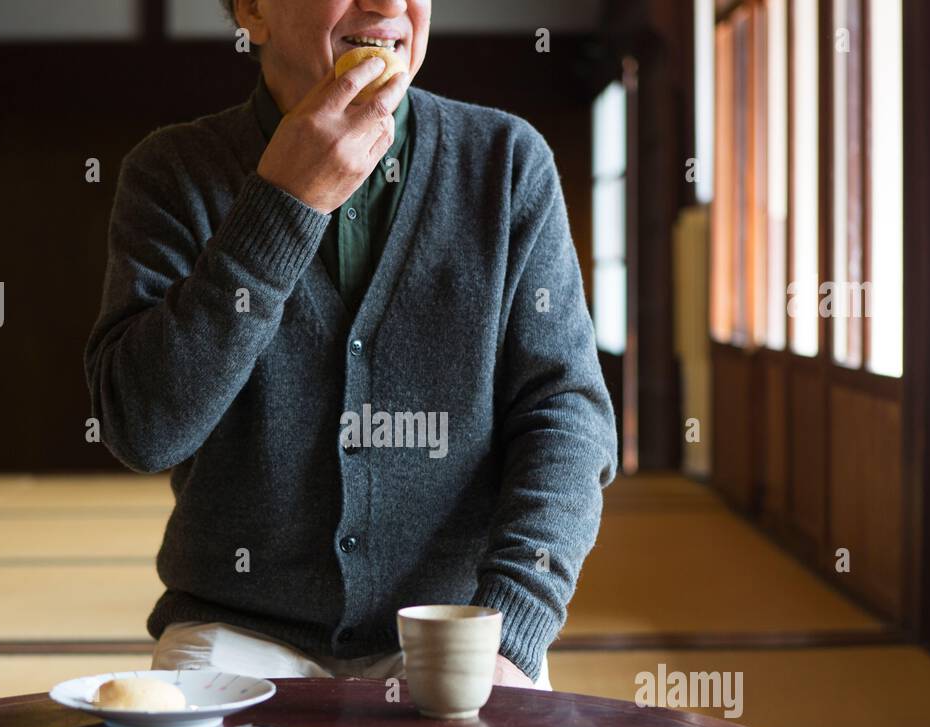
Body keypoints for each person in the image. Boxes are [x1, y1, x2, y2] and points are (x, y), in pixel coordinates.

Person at [84, 0, 617, 691]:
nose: (388, 5)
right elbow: (144, 429)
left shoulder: (506, 162)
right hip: (235, 627)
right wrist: (283, 204)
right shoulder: (172, 172)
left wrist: (511, 628)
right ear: (253, 11)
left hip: (459, 626)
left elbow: (566, 413)